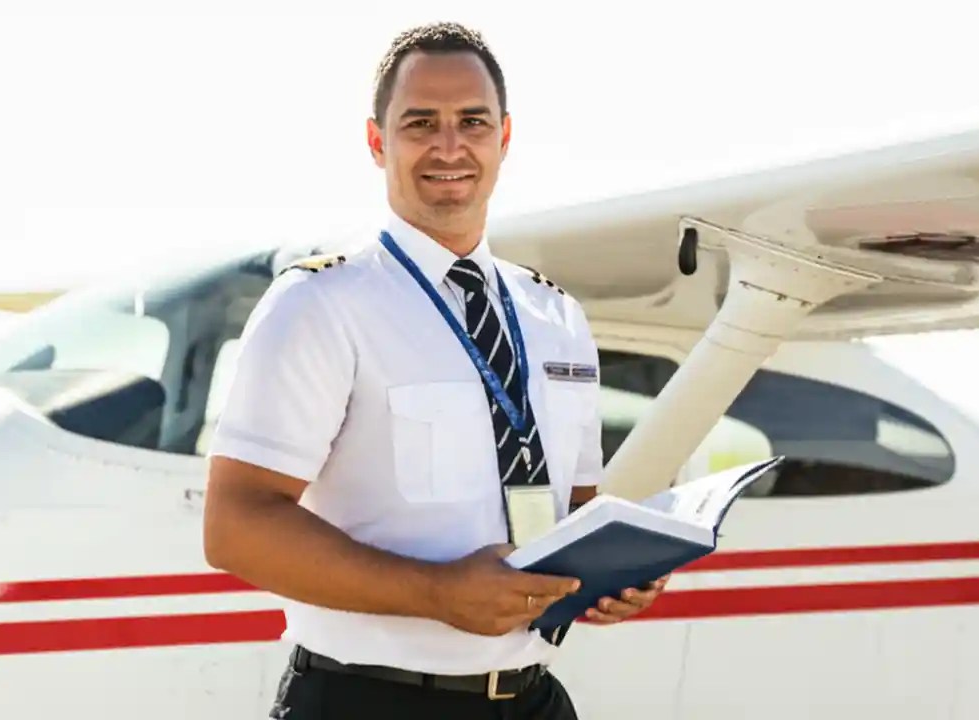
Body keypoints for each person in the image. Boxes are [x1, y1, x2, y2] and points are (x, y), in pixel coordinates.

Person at [203, 21, 668, 719]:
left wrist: (612, 577)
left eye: (471, 122)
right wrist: (436, 591)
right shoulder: (321, 304)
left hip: (532, 701)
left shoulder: (557, 315)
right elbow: (234, 526)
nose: (449, 146)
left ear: (503, 138)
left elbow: (574, 514)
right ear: (376, 140)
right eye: (421, 122)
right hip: (369, 700)